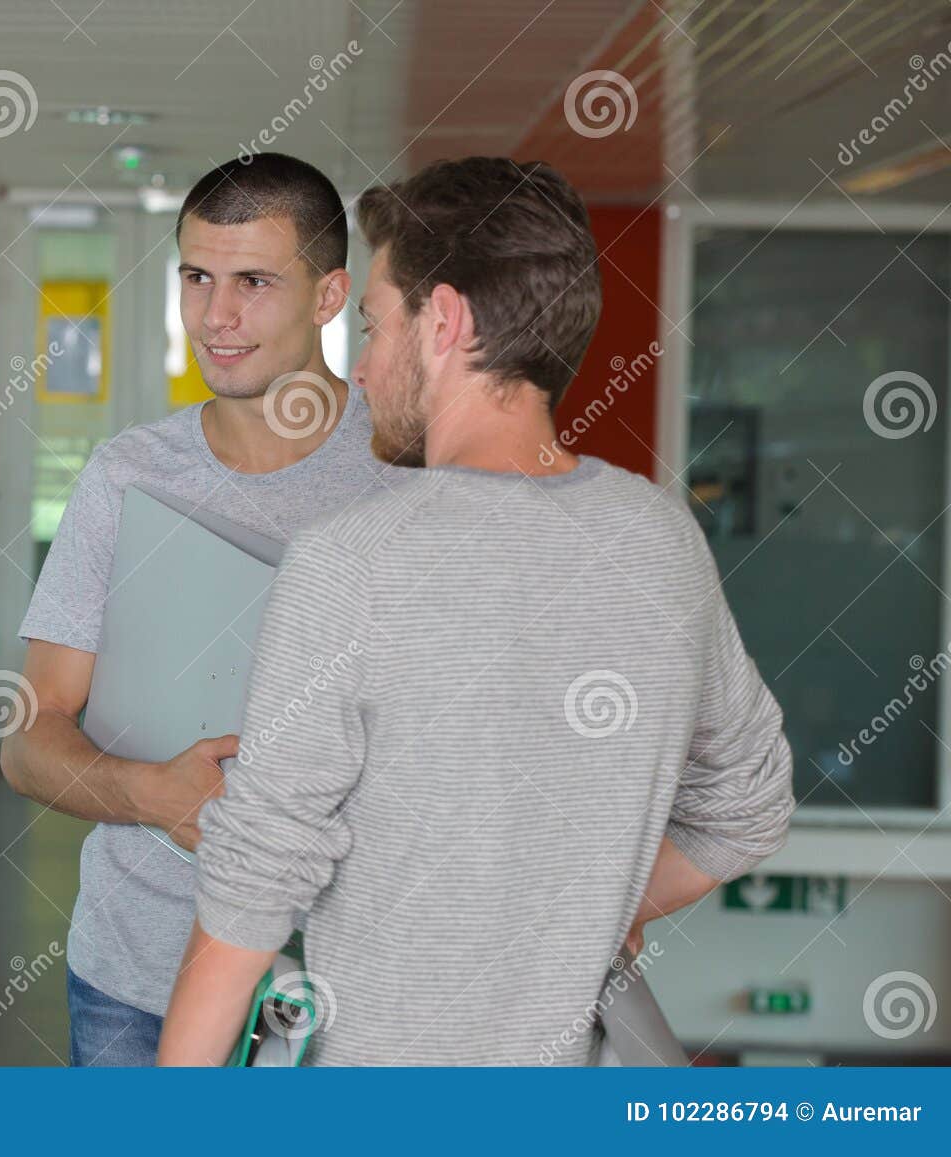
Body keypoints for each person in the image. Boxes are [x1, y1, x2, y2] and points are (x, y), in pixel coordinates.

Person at [157, 157, 795, 1066]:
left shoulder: (352, 560)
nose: (366, 369)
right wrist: (576, 923)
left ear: (444, 320)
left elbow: (250, 892)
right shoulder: (660, 538)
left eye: (376, 325)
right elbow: (748, 803)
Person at [0, 153, 395, 1066]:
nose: (216, 317)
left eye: (254, 282)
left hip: (345, 987)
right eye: (197, 278)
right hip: (135, 982)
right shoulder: (127, 475)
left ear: (331, 295)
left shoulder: (402, 475)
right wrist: (155, 795)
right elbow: (28, 737)